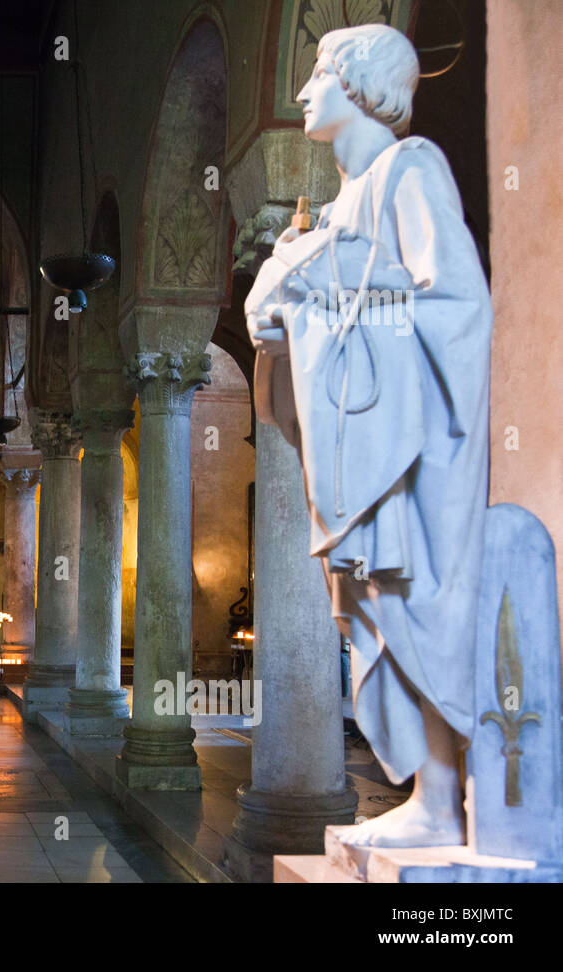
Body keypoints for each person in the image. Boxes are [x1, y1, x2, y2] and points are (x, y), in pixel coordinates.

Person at [246, 24, 492, 847]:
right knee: (370, 613)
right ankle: (426, 794)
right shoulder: (341, 203)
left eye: (317, 73)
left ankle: (441, 797)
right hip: (359, 452)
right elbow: (321, 311)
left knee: (410, 604)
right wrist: (294, 317)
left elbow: (457, 306)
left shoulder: (409, 167)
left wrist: (333, 305)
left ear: (358, 86)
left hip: (407, 459)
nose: (302, 92)